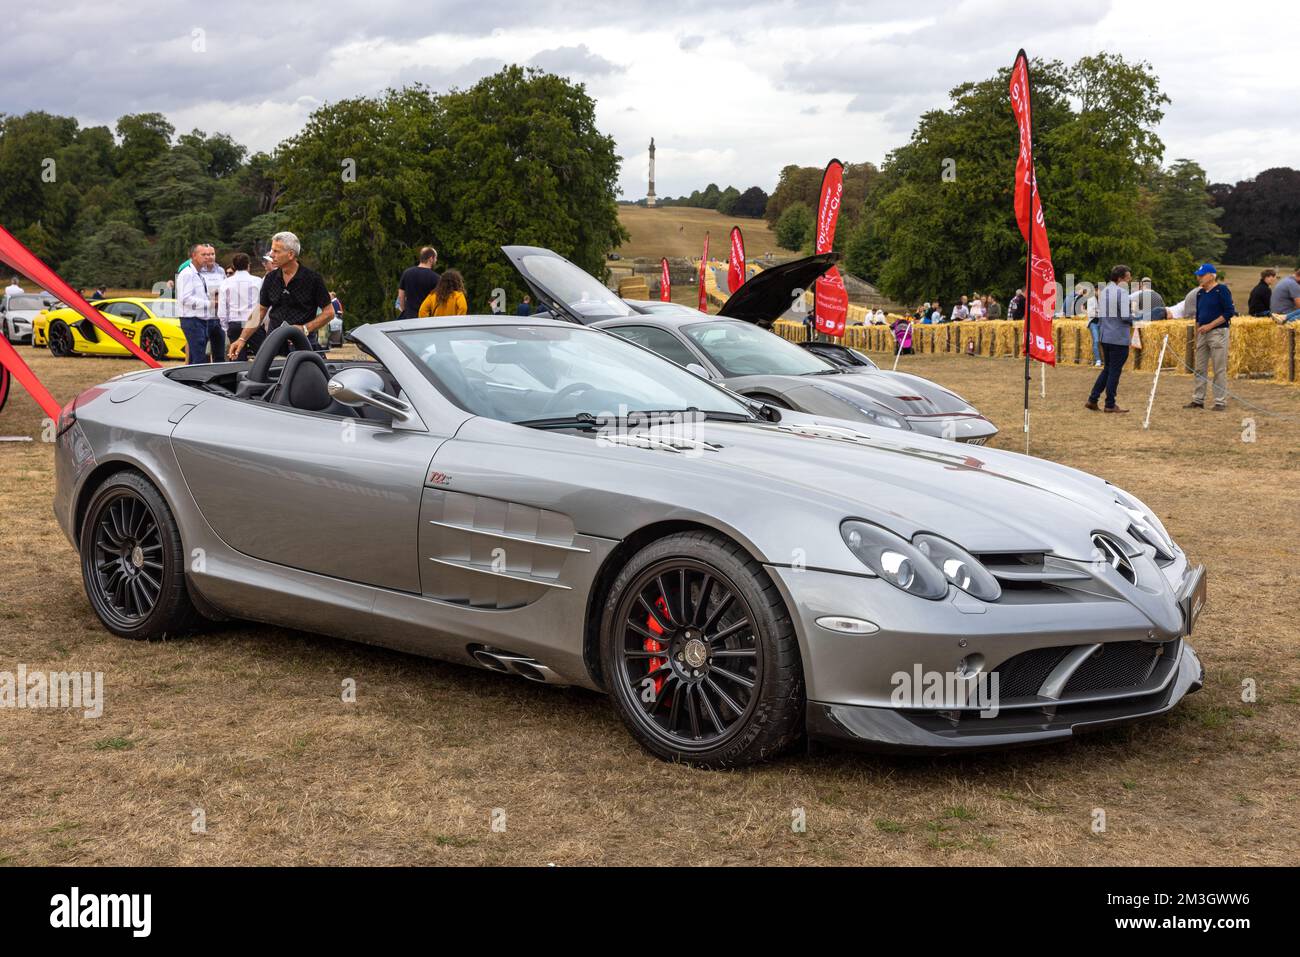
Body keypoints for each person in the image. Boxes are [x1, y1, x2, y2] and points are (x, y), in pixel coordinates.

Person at [227, 231, 333, 360]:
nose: (271, 255)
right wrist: (242, 339)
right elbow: (260, 311)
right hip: (274, 342)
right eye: (272, 250)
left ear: (290, 254)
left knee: (304, 379)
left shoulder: (312, 279)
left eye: (276, 251)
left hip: (302, 343)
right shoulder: (270, 279)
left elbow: (329, 313)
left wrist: (305, 328)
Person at [1085, 265, 1134, 413]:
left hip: (1105, 335)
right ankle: (1110, 403)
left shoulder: (1104, 290)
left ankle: (1093, 399)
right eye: (1128, 277)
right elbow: (1125, 316)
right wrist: (1137, 319)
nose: (1130, 280)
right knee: (1114, 371)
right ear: (1120, 278)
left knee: (1107, 369)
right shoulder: (1122, 293)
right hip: (1118, 337)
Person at [1185, 263, 1235, 410]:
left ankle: (1220, 401)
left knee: (1219, 368)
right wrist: (1197, 332)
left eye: (1202, 275)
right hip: (1202, 333)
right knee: (1200, 367)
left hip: (1218, 332)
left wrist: (1210, 326)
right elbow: (1198, 316)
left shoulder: (1222, 290)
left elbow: (1228, 312)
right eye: (1198, 275)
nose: (1199, 278)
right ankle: (1198, 399)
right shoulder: (1200, 293)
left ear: (1212, 276)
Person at [176, 242, 226, 365]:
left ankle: (191, 382)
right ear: (194, 256)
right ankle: (195, 383)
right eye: (203, 254)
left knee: (197, 358)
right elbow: (185, 298)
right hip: (192, 320)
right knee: (199, 359)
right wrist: (210, 303)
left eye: (210, 254)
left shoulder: (199, 274)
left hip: (203, 319)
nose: (207, 257)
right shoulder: (187, 274)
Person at [217, 253, 262, 358]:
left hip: (235, 322)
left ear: (233, 265)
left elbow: (222, 308)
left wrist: (225, 326)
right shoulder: (258, 281)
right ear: (248, 265)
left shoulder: (226, 283)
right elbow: (263, 305)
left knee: (237, 357)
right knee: (262, 356)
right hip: (253, 323)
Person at [397, 247, 440, 319]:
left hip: (408, 316)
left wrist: (404, 310)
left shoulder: (407, 273)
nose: (436, 260)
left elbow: (401, 295)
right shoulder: (436, 278)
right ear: (431, 258)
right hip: (425, 318)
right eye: (435, 258)